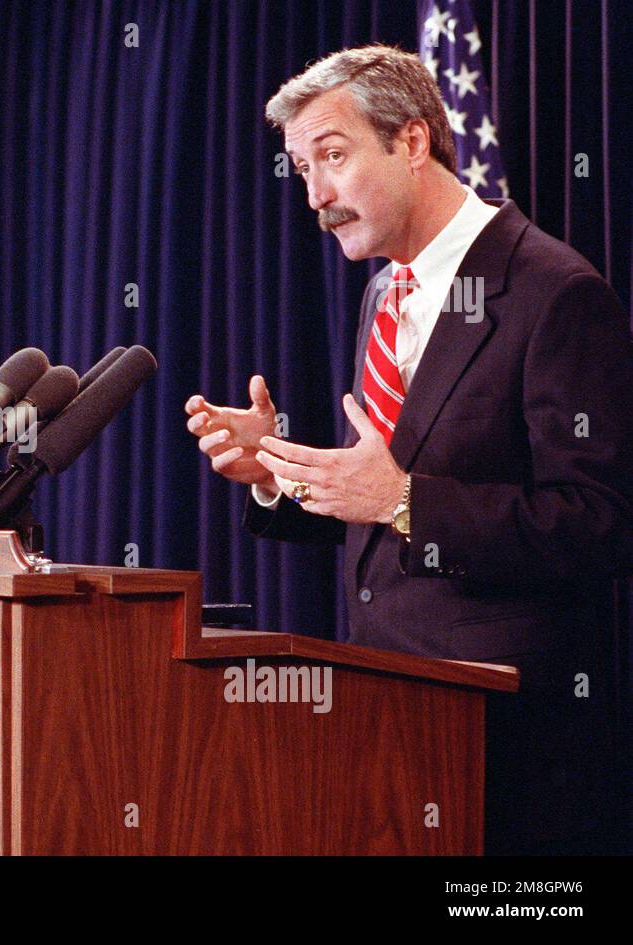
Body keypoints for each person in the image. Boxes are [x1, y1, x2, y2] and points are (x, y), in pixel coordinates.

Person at [185, 45, 633, 854]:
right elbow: (385, 502)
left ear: (414, 142)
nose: (315, 195)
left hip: (512, 754)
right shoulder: (384, 290)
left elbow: (603, 523)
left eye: (332, 156)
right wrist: (280, 471)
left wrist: (402, 500)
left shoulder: (555, 293)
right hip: (387, 733)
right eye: (302, 168)